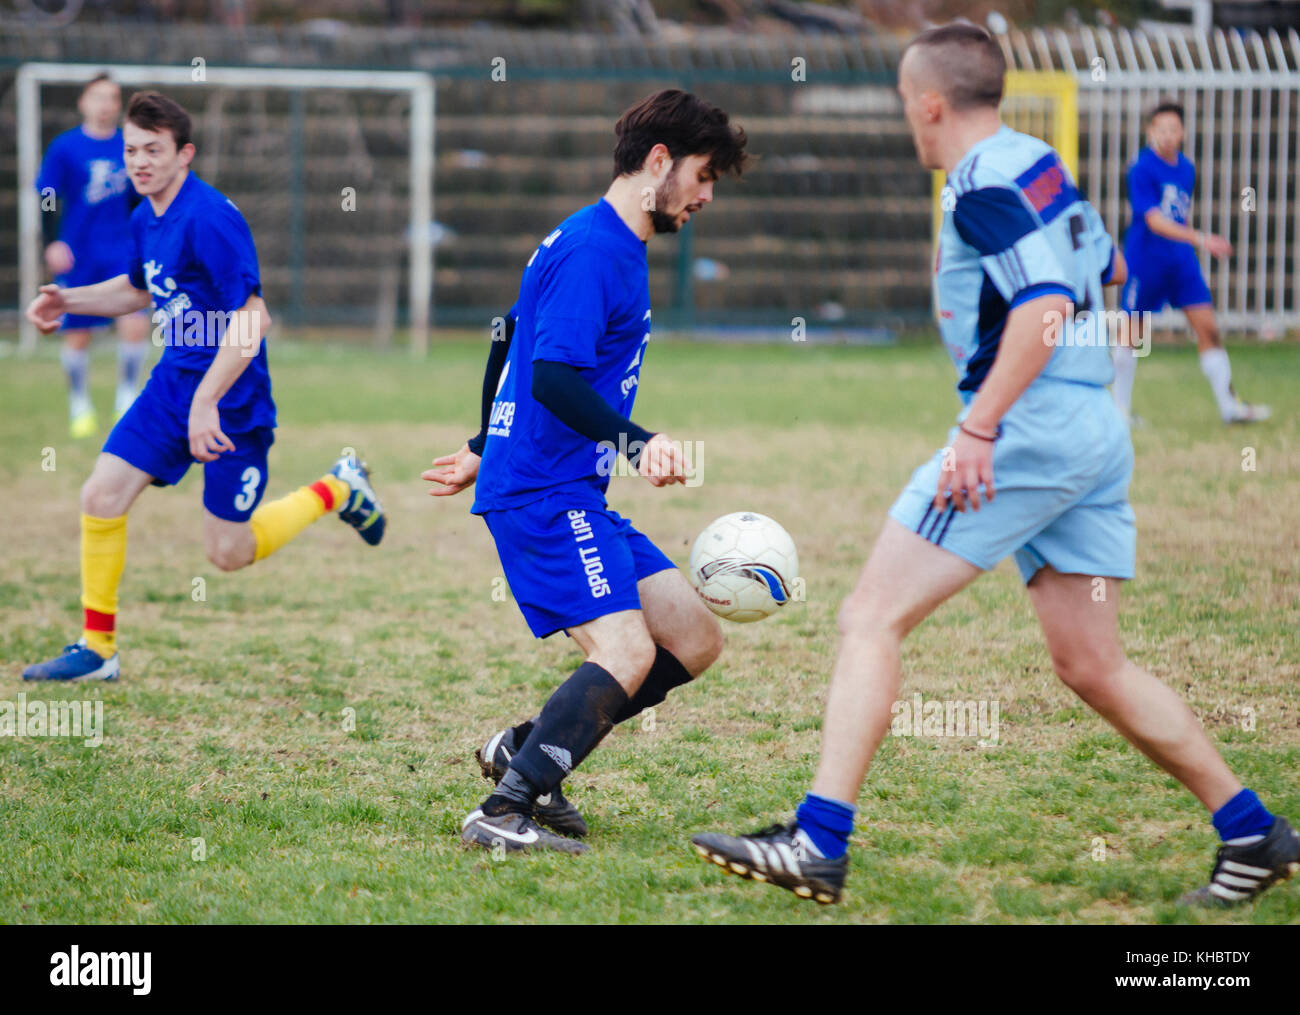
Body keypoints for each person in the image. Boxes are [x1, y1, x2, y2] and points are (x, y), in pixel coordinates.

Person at [691, 24, 1297, 908]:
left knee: (869, 616)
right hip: (1091, 426)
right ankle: (1252, 831)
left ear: (930, 102)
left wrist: (979, 429)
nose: (907, 118)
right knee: (1092, 663)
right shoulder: (1038, 162)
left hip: (1027, 432)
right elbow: (1111, 265)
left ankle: (817, 842)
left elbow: (1047, 303)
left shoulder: (977, 180)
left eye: (906, 103)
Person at [423, 89, 747, 853]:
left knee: (694, 635)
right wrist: (636, 440)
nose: (704, 196)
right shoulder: (598, 249)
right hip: (544, 492)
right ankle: (504, 809)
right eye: (702, 176)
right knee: (628, 651)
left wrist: (480, 440)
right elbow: (552, 377)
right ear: (658, 162)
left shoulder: (599, 240)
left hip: (564, 486)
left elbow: (507, 334)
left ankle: (525, 747)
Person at [22, 90, 387, 684]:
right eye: (132, 150)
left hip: (233, 402)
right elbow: (143, 290)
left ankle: (338, 489)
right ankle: (97, 648)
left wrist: (207, 401)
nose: (140, 162)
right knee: (100, 496)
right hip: (174, 390)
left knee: (228, 554)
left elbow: (253, 320)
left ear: (183, 153)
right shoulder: (145, 216)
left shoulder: (210, 217)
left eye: (153, 150)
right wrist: (71, 300)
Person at [1112, 102, 1270, 426]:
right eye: (1161, 129)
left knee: (1208, 329)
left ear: (1183, 132)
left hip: (1181, 262)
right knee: (1131, 335)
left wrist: (1192, 242)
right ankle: (1119, 412)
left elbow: (1177, 216)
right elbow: (1155, 221)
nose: (1168, 135)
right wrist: (1201, 238)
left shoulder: (1186, 167)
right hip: (1146, 262)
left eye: (1174, 129)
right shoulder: (1140, 168)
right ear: (1150, 132)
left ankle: (1231, 407)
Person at [37, 72, 151, 438]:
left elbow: (139, 197)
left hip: (122, 250)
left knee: (135, 323)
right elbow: (47, 195)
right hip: (79, 252)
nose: (106, 105)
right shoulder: (65, 147)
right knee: (78, 333)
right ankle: (80, 405)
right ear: (83, 102)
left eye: (113, 98)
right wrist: (51, 241)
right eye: (98, 97)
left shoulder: (128, 146)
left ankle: (126, 401)